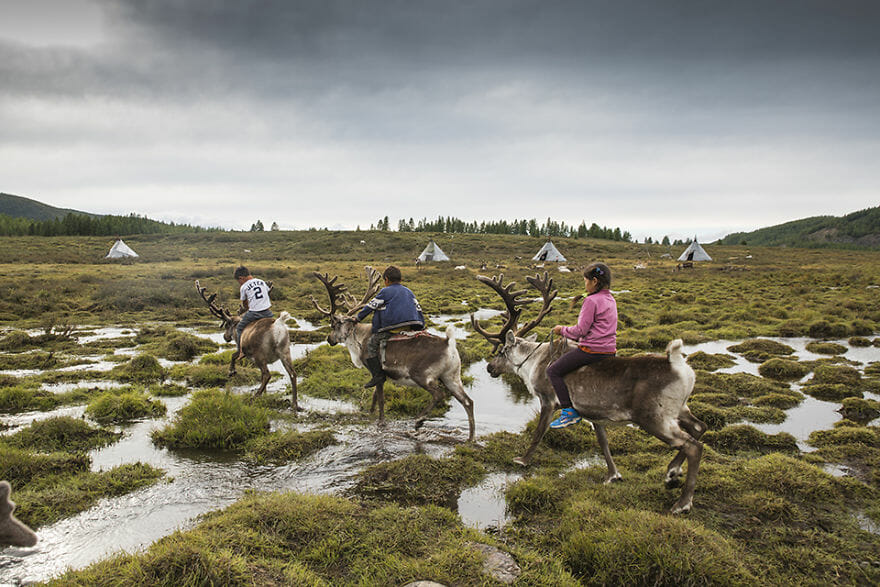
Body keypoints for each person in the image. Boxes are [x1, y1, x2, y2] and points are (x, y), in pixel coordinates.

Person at [547, 262, 617, 428]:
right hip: (610, 351)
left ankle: (568, 411)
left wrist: (561, 330)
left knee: (553, 371)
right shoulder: (610, 299)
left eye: (585, 281)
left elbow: (580, 331)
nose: (585, 285)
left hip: (591, 351)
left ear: (594, 281)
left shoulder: (591, 301)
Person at [355, 265, 425, 388]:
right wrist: (421, 327)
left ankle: (377, 375)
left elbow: (370, 306)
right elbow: (418, 309)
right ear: (401, 279)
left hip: (393, 328)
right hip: (410, 327)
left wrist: (358, 318)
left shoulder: (385, 291)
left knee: (371, 344)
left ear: (386, 280)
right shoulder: (409, 291)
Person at [233, 266, 273, 359]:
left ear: (241, 278)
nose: (239, 283)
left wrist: (247, 308)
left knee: (239, 328)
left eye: (239, 281)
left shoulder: (244, 286)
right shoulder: (262, 282)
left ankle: (241, 351)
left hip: (255, 313)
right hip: (268, 312)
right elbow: (266, 293)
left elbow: (245, 302)